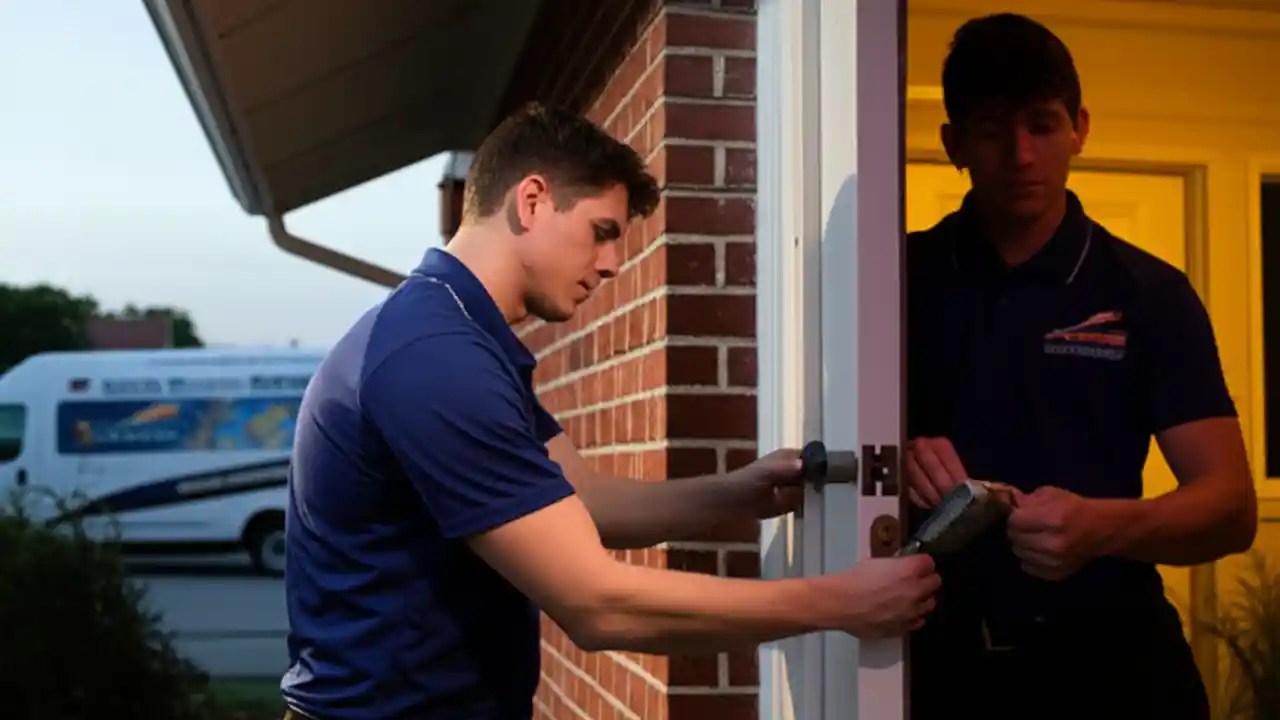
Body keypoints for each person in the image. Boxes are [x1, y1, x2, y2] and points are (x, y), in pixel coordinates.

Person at [279, 101, 940, 720]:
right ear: (532, 200)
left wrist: (735, 494)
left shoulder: (458, 336)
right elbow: (597, 604)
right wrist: (841, 602)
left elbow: (581, 499)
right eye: (600, 233)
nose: (614, 264)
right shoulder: (433, 358)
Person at [904, 13, 1258, 720]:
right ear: (953, 144)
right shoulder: (899, 279)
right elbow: (822, 466)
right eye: (992, 129)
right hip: (935, 663)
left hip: (1116, 666)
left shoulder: (1147, 292)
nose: (1022, 154)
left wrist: (1103, 526)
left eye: (1042, 124)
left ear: (1080, 128)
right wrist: (893, 456)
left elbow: (1230, 507)